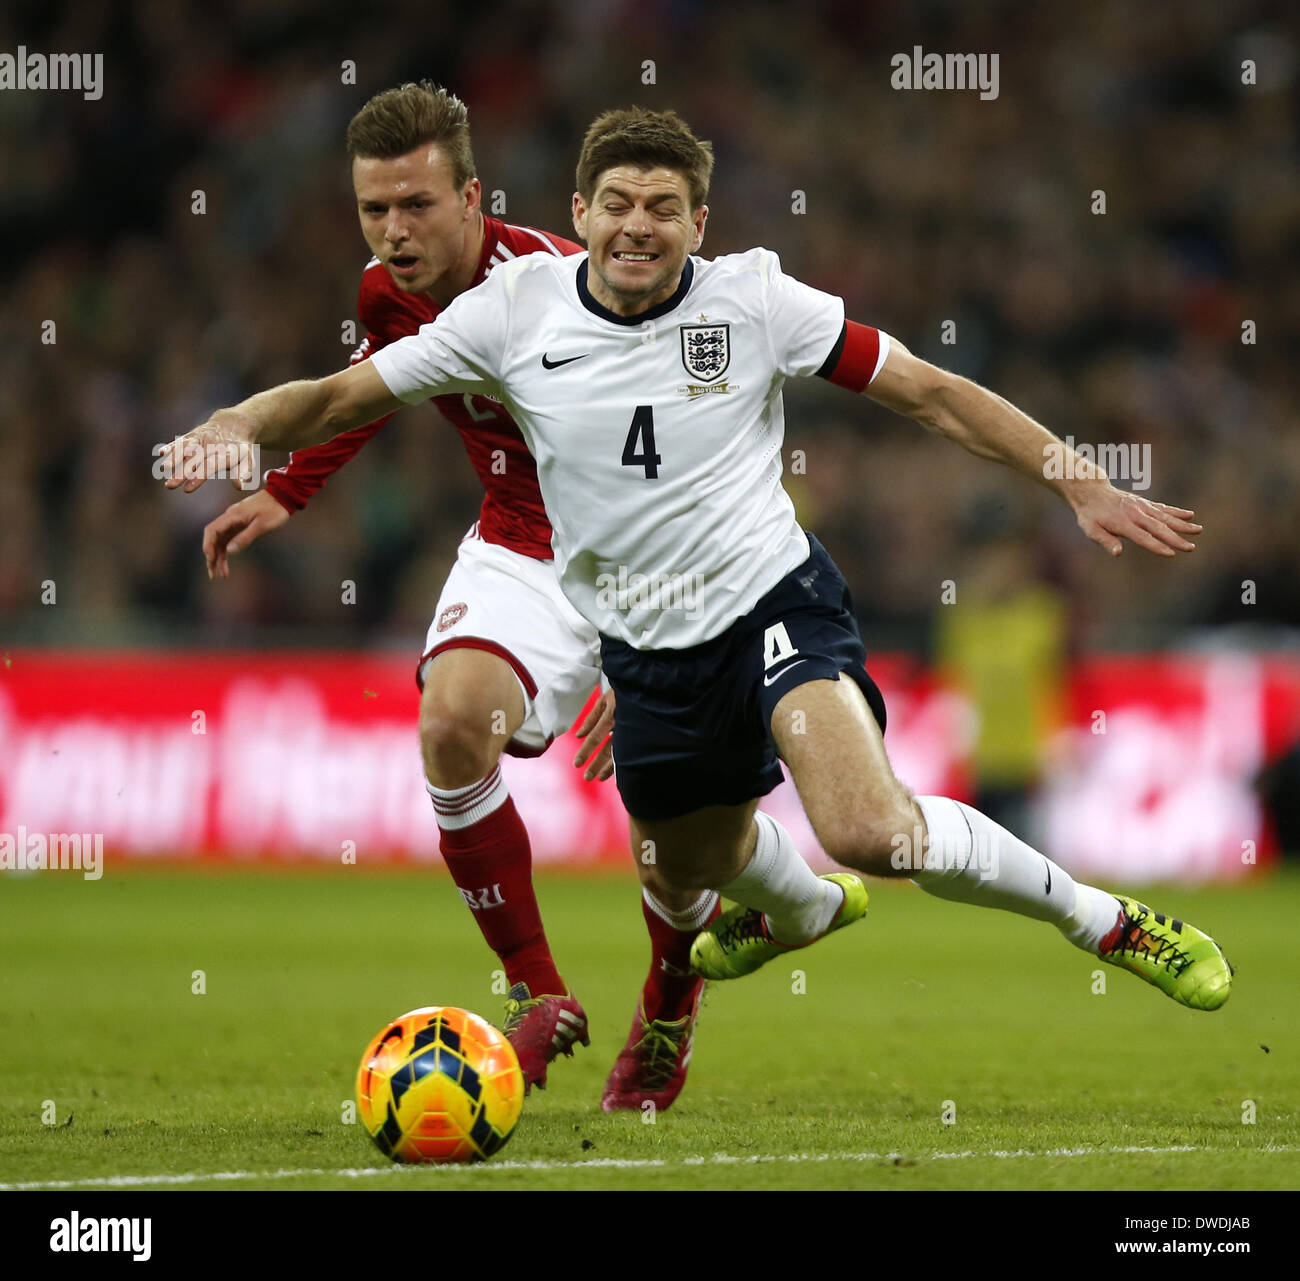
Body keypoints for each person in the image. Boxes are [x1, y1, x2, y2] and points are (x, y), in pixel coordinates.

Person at [160, 106, 1233, 1094]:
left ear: (697, 222)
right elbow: (340, 395)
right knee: (690, 868)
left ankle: (1105, 922)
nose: (638, 228)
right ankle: (789, 913)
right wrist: (239, 428)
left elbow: (931, 393)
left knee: (868, 830)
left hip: (773, 603)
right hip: (644, 646)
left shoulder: (756, 299)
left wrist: (1073, 474)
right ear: (576, 216)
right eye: (617, 205)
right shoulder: (506, 313)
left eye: (662, 209)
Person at [196, 84, 720, 1110]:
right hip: (520, 546)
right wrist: (286, 489)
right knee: (448, 726)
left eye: (418, 206)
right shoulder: (385, 294)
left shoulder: (573, 293)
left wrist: (653, 637)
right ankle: (539, 995)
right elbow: (374, 386)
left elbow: (688, 465)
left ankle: (668, 1007)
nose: (395, 232)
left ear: (473, 196)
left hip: (645, 553)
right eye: (374, 210)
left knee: (670, 819)